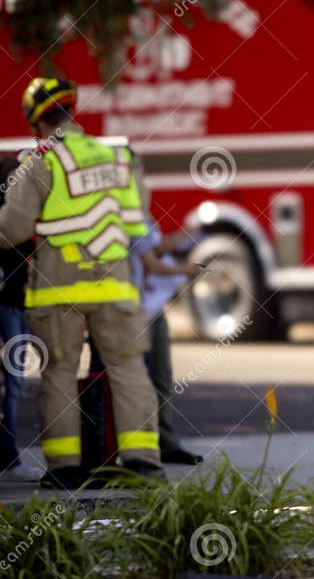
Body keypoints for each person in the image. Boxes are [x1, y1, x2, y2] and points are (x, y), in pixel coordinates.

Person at [0, 77, 163, 489]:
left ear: (38, 122)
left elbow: (12, 230)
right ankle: (142, 463)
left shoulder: (41, 159)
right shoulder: (119, 156)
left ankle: (66, 469)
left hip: (60, 290)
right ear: (72, 111)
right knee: (128, 369)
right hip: (116, 287)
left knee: (59, 372)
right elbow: (136, 220)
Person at [86, 220, 204, 466]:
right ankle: (115, 450)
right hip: (124, 309)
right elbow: (150, 261)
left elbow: (150, 250)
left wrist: (182, 238)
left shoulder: (140, 212)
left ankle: (160, 444)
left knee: (156, 376)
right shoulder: (117, 207)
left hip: (146, 306)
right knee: (127, 380)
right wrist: (187, 270)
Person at [0, 156, 43, 481]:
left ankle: (9, 456)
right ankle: (9, 458)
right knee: (12, 383)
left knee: (15, 382)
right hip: (9, 306)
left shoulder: (27, 213)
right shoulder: (9, 218)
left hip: (24, 304)